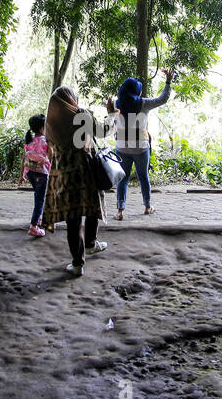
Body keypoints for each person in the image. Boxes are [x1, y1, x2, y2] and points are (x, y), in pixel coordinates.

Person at [41, 86, 107, 276]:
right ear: (71, 99)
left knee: (73, 217)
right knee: (92, 204)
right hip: (86, 169)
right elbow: (102, 131)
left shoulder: (51, 122)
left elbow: (51, 145)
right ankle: (91, 243)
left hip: (64, 173)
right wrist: (112, 114)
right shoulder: (82, 114)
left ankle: (77, 263)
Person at [106, 68, 174, 220]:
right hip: (140, 148)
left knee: (123, 179)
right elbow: (162, 99)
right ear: (136, 91)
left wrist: (110, 110)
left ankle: (120, 211)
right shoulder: (144, 104)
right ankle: (148, 207)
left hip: (122, 147)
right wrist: (168, 82)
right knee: (143, 177)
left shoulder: (116, 104)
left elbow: (111, 123)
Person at [19, 113, 51, 237]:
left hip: (31, 173)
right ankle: (33, 226)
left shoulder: (29, 140)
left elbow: (23, 158)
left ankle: (39, 220)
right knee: (39, 200)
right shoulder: (46, 141)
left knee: (39, 197)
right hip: (41, 174)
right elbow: (51, 157)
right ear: (42, 128)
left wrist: (21, 175)